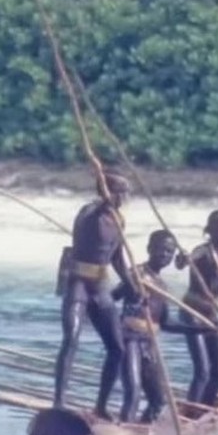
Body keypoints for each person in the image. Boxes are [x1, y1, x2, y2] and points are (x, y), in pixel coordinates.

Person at [53, 172, 133, 421]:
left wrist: (132, 284)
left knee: (117, 348)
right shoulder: (88, 213)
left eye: (125, 192)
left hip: (100, 286)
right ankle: (59, 402)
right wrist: (104, 200)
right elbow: (95, 214)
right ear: (106, 191)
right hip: (78, 284)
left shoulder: (119, 219)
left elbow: (116, 257)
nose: (123, 197)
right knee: (71, 338)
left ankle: (101, 405)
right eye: (118, 191)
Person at [112, 230, 211, 424]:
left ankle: (141, 433)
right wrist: (131, 292)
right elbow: (111, 298)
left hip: (149, 345)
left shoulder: (162, 286)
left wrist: (201, 329)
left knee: (158, 401)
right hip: (130, 340)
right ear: (149, 249)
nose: (165, 255)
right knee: (133, 391)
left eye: (170, 252)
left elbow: (166, 324)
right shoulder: (136, 275)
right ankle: (124, 434)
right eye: (161, 250)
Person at [176, 210, 218, 407]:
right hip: (192, 313)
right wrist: (183, 258)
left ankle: (204, 406)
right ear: (209, 231)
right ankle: (190, 412)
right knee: (202, 371)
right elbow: (182, 264)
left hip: (213, 315)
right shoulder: (203, 251)